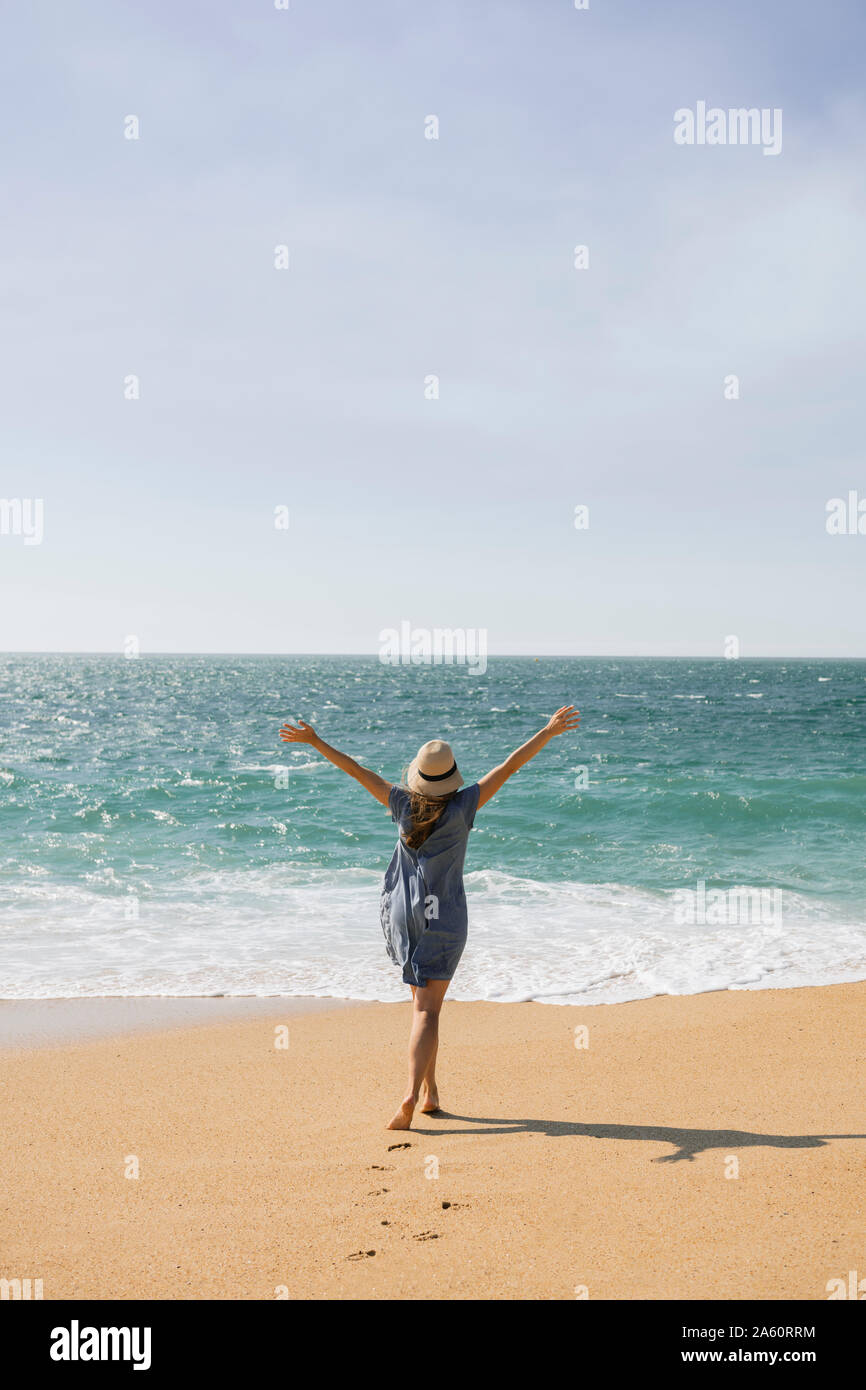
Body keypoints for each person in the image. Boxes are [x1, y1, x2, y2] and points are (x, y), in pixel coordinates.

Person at [279, 705, 580, 1128]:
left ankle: (429, 1093)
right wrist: (547, 732)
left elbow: (356, 770)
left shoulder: (400, 801)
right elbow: (510, 765)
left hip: (404, 910)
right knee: (429, 1012)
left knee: (421, 1006)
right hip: (444, 913)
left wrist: (314, 741)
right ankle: (407, 1095)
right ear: (452, 775)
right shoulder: (465, 805)